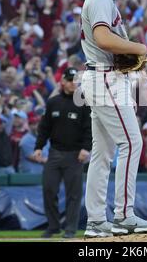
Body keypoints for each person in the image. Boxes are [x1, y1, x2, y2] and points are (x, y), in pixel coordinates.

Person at [80, 0, 147, 237]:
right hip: (104, 79)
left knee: (102, 153)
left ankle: (95, 221)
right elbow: (103, 38)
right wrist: (138, 47)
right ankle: (124, 215)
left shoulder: (101, 0)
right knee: (132, 142)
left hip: (101, 77)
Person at [33, 67, 91, 239]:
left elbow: (89, 128)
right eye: (71, 80)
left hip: (75, 154)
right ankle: (53, 226)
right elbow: (44, 128)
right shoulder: (53, 103)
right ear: (63, 82)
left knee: (73, 194)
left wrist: (86, 148)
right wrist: (38, 147)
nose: (74, 83)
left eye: (76, 80)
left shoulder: (83, 103)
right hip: (55, 153)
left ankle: (71, 229)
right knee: (49, 189)